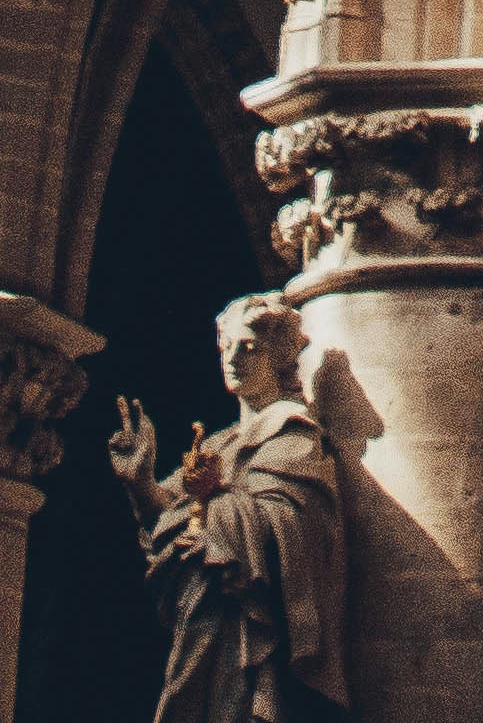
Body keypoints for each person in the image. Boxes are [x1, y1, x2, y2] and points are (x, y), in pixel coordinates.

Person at [109, 287, 347, 718]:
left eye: (249, 348)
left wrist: (218, 517)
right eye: (226, 346)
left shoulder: (293, 435)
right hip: (201, 609)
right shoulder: (216, 445)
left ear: (277, 355)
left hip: (247, 621)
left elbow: (298, 529)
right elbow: (168, 522)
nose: (233, 358)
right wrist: (141, 481)